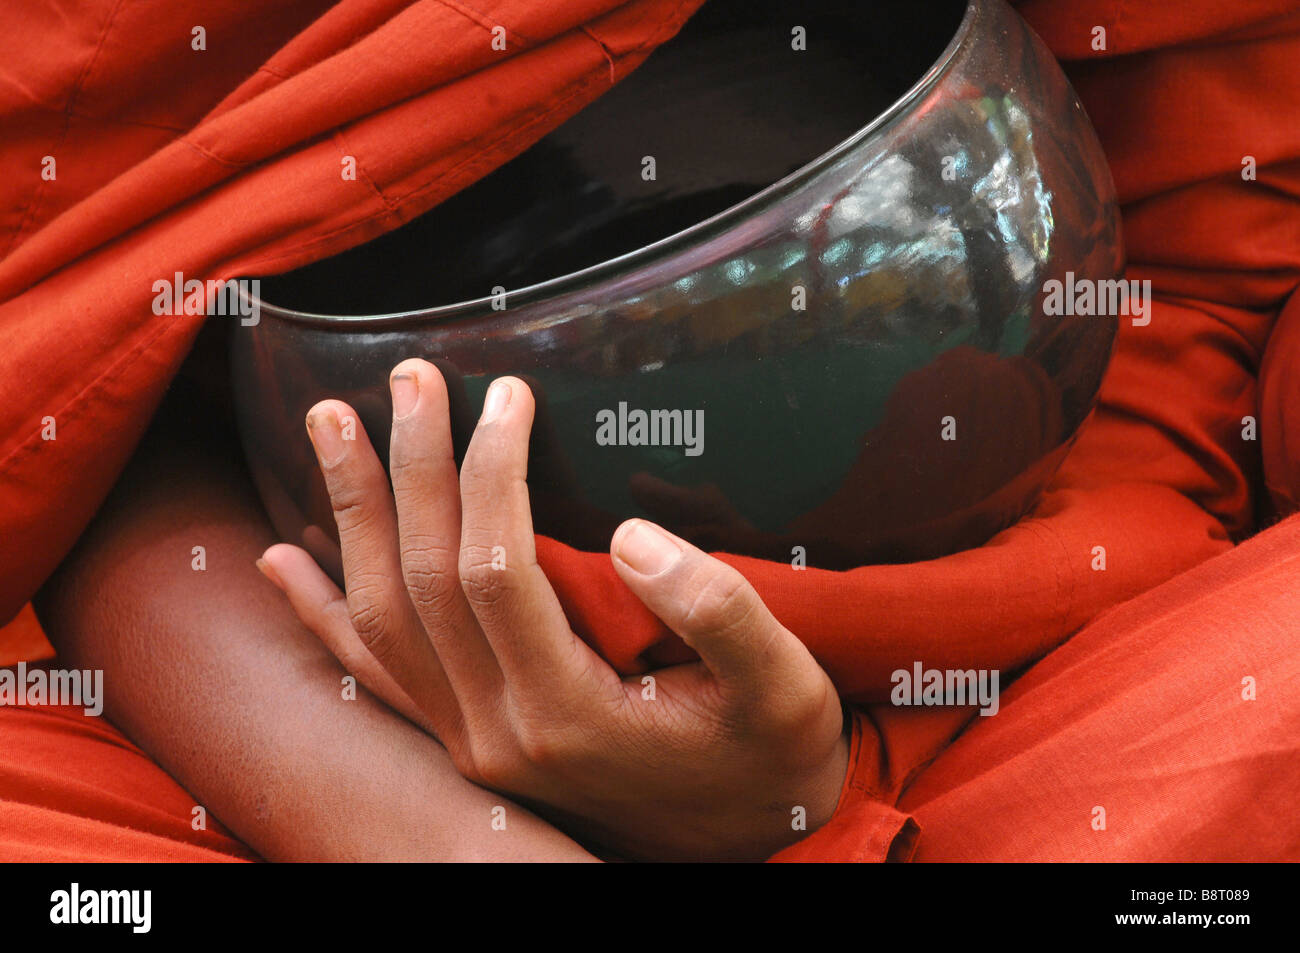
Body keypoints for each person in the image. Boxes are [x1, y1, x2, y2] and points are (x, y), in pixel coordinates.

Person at [6, 0, 1300, 861]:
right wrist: (442, 836)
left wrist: (792, 787)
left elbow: (1195, 217)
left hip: (1084, 512)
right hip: (261, 636)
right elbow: (79, 367)